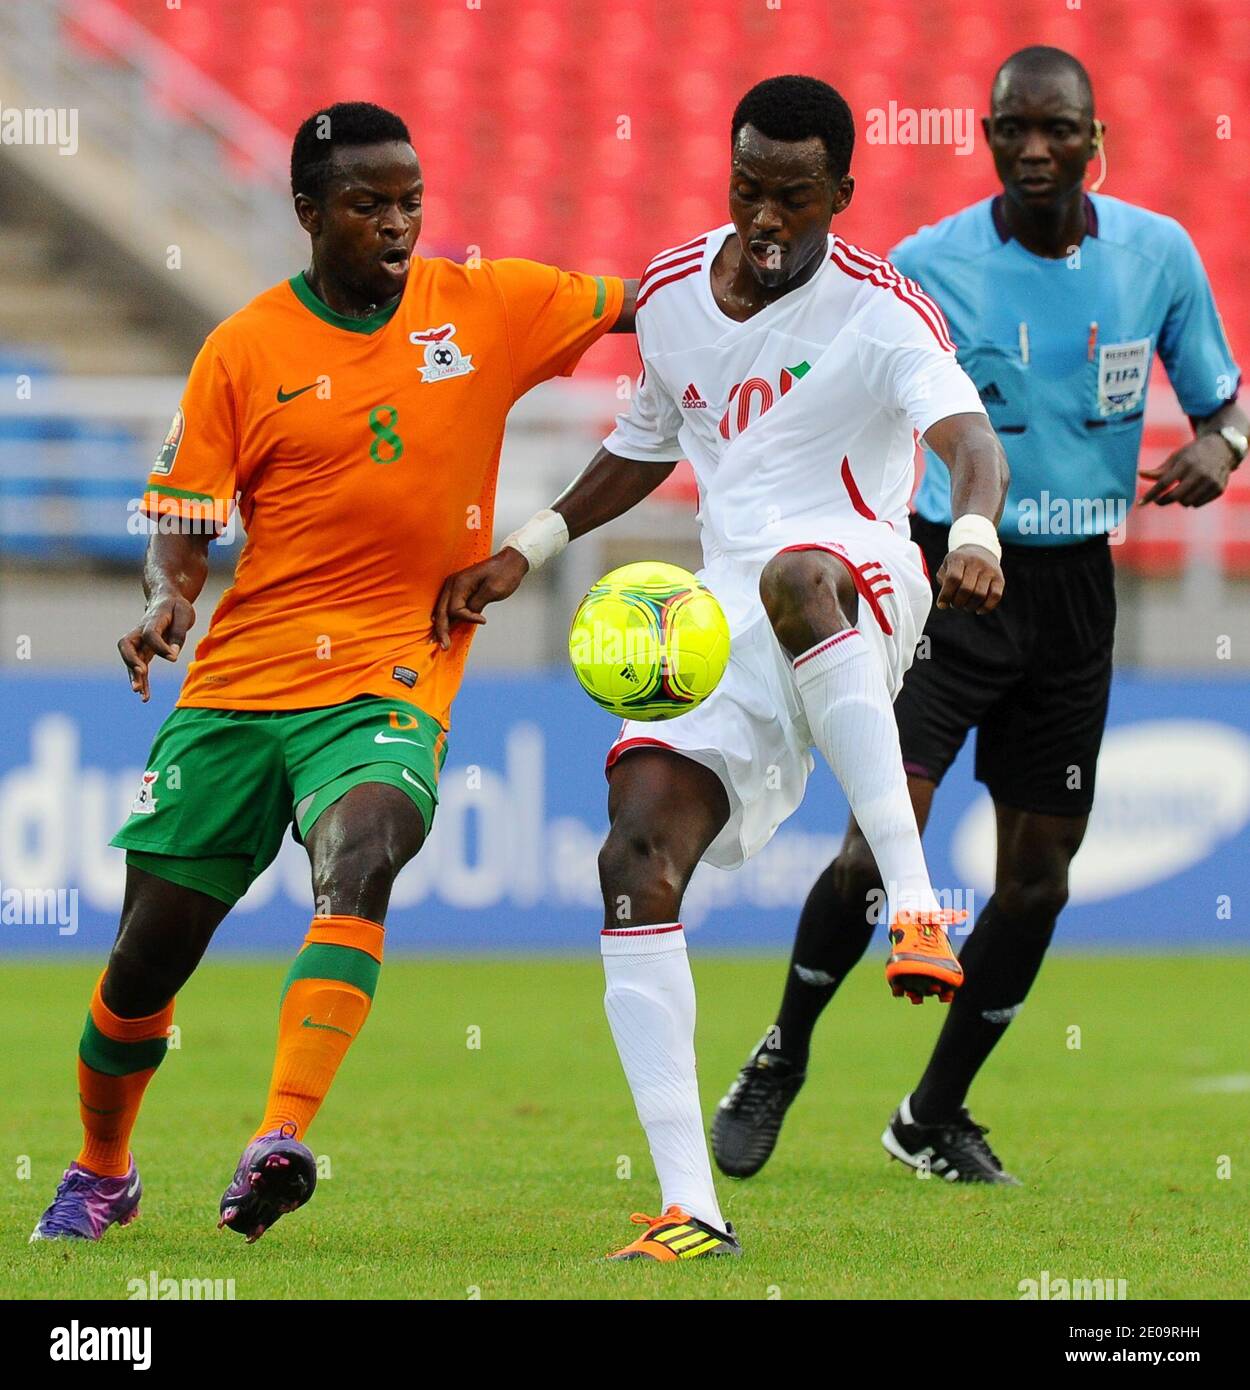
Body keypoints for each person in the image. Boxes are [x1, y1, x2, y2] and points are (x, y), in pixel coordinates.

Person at [31, 101, 635, 1244]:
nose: (399, 223)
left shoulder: (488, 304)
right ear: (309, 211)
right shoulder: (244, 348)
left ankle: (279, 1135)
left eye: (411, 199)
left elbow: (651, 300)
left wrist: (775, 271)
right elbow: (184, 524)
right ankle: (104, 1167)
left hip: (389, 675)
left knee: (360, 853)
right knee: (140, 968)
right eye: (369, 203)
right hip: (242, 685)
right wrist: (167, 600)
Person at [433, 75, 1009, 1259]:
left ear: (840, 194)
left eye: (792, 197)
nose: (764, 215)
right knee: (631, 850)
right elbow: (641, 442)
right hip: (726, 621)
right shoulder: (671, 293)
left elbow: (965, 439)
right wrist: (523, 551)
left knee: (797, 574)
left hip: (856, 582)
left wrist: (972, 534)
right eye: (746, 186)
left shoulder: (883, 311)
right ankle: (691, 1208)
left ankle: (911, 904)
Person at [711, 46, 1247, 1186]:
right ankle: (778, 1054)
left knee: (1039, 876)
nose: (1035, 147)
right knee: (874, 847)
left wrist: (1218, 445)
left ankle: (929, 1113)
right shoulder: (926, 264)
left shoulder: (1157, 255)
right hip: (943, 577)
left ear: (1094, 138)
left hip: (1070, 596)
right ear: (988, 136)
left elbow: (1223, 403)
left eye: (1057, 128)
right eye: (1013, 128)